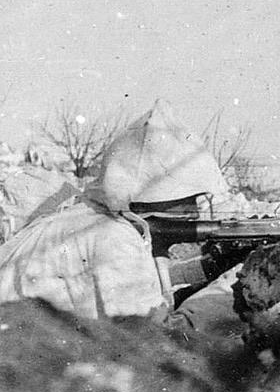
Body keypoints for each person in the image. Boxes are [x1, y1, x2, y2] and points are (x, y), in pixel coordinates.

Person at [0, 100, 229, 322]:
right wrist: (227, 291)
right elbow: (157, 338)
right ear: (152, 196)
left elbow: (133, 287)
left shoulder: (90, 219)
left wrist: (204, 270)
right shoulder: (114, 237)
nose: (194, 213)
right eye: (185, 199)